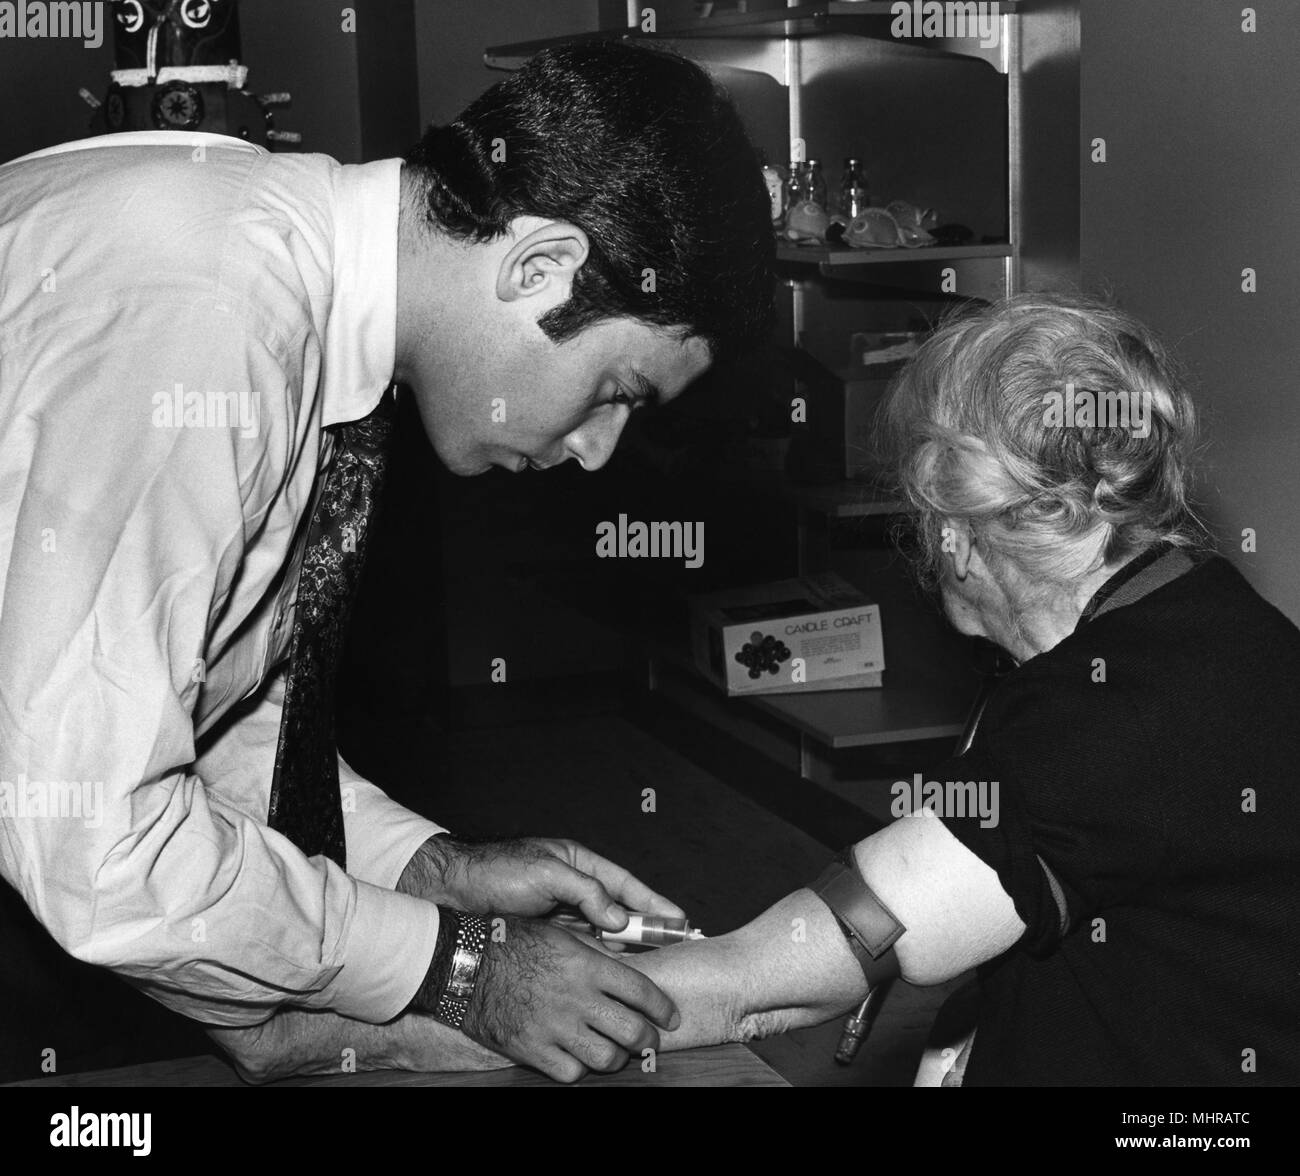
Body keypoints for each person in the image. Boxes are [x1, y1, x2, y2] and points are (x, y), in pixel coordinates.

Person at [222, 294, 1300, 1086]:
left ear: (949, 534)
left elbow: (763, 981)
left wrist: (354, 1027)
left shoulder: (1105, 717)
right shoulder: (1202, 626)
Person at [0, 41, 773, 1084]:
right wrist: (462, 969)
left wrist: (429, 869)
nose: (595, 451)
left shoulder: (277, 289)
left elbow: (173, 717)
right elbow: (97, 843)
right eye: (619, 391)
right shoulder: (210, 311)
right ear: (538, 265)